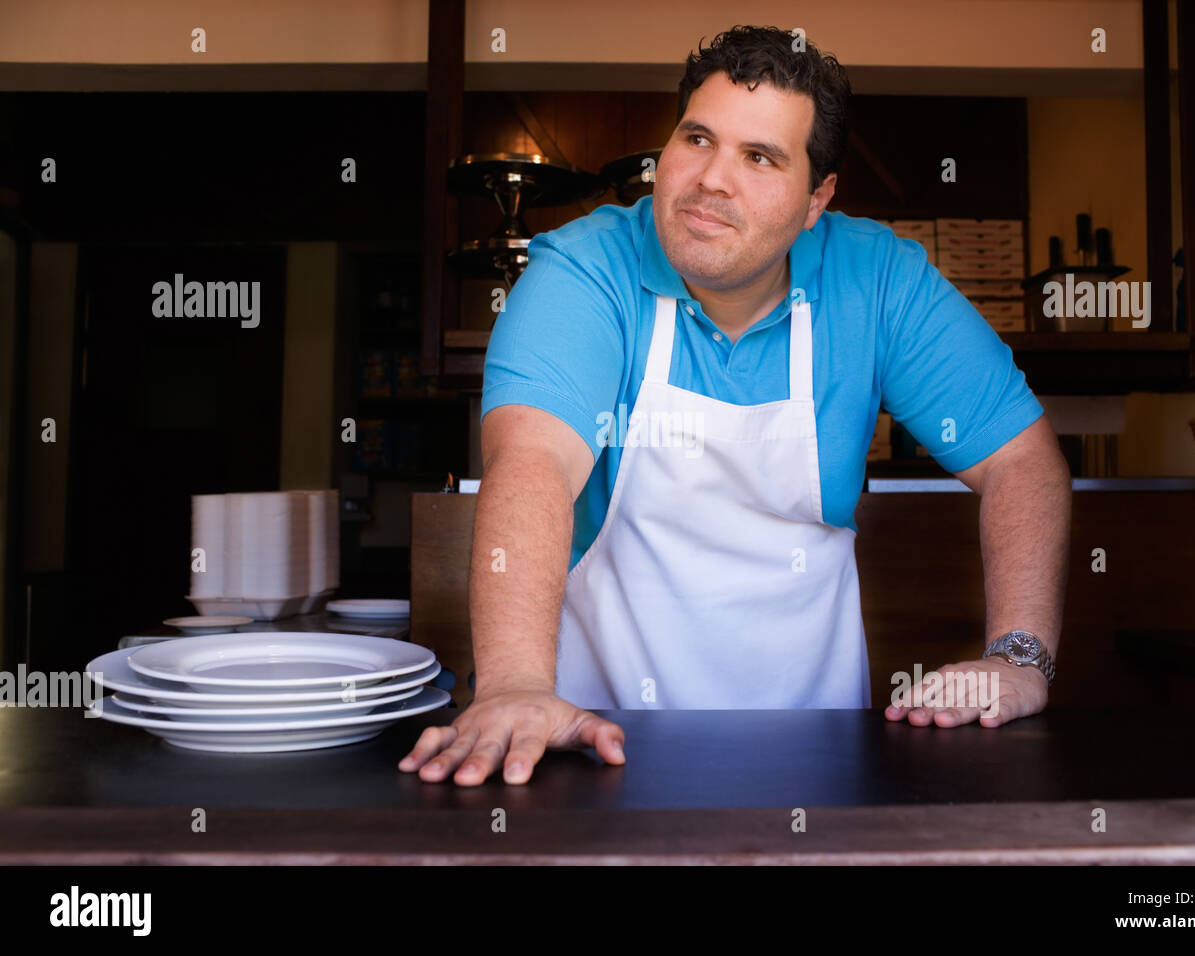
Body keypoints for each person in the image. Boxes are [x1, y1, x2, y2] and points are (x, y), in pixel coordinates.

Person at [400, 25, 1070, 787]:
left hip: (818, 763)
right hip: (589, 755)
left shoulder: (878, 280)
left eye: (760, 158)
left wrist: (1018, 656)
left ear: (818, 197)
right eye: (697, 138)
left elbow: (1021, 458)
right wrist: (515, 684)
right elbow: (534, 461)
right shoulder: (585, 270)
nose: (712, 180)